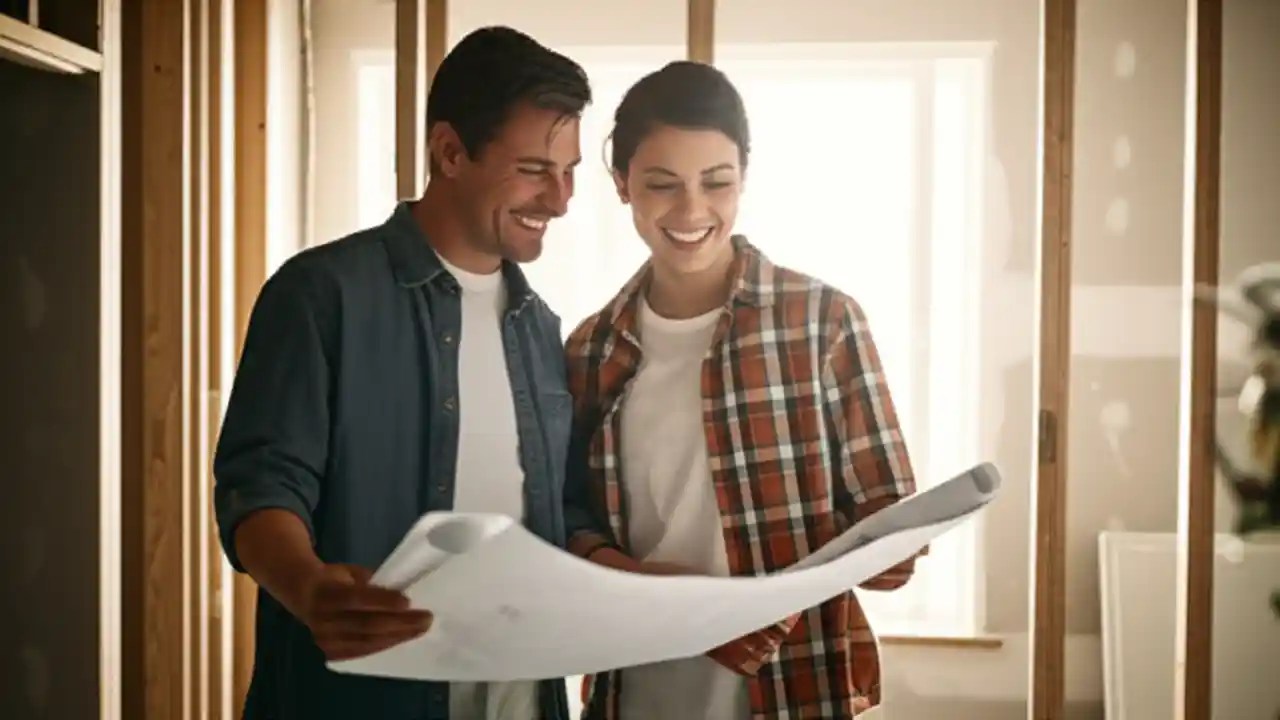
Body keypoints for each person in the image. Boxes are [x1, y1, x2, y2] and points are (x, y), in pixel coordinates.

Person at [213, 26, 590, 720]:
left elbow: (563, 521)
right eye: (536, 169)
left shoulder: (541, 334)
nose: (560, 200)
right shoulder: (321, 295)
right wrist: (309, 588)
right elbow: (260, 484)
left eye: (570, 173)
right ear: (450, 152)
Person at [562, 61, 922, 719]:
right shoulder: (590, 350)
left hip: (793, 687)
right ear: (622, 186)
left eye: (717, 183)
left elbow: (887, 518)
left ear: (745, 178)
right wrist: (651, 588)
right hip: (637, 690)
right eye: (662, 184)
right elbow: (569, 522)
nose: (692, 210)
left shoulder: (824, 322)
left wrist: (889, 548)